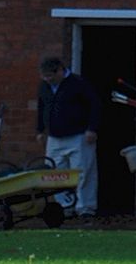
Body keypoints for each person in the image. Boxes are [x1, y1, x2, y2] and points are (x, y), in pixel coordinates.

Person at [34, 55, 99, 218]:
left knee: (83, 172)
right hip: (55, 136)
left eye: (50, 75)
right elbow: (42, 107)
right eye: (45, 76)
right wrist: (40, 130)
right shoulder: (45, 86)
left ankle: (85, 207)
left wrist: (92, 128)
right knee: (56, 174)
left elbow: (94, 105)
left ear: (61, 71)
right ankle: (65, 206)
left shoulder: (78, 83)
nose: (48, 79)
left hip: (79, 134)